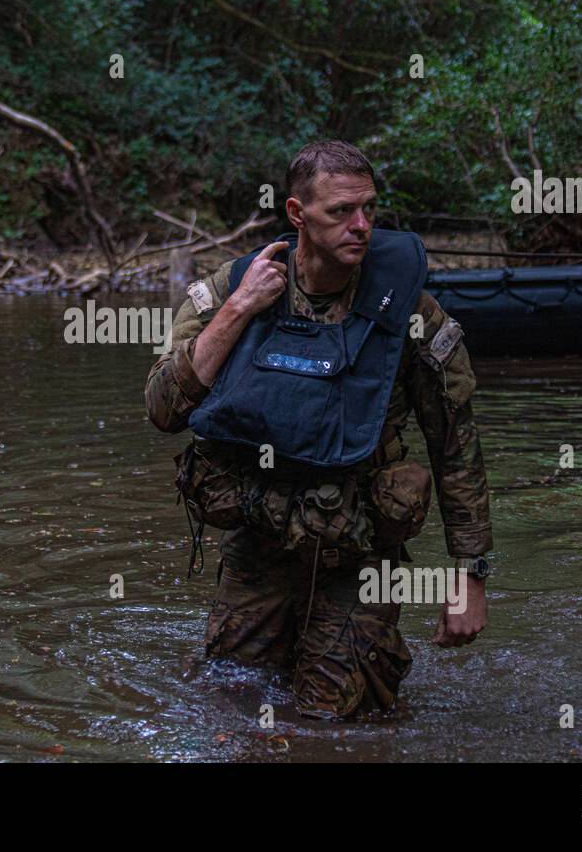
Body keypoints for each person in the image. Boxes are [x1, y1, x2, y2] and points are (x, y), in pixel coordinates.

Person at [145, 140, 493, 719]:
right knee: (232, 704)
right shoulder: (234, 287)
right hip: (257, 537)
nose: (361, 226)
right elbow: (162, 409)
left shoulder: (408, 310)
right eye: (340, 212)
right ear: (296, 214)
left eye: (370, 210)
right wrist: (239, 310)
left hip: (357, 549)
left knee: (337, 722)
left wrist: (471, 575)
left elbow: (454, 443)